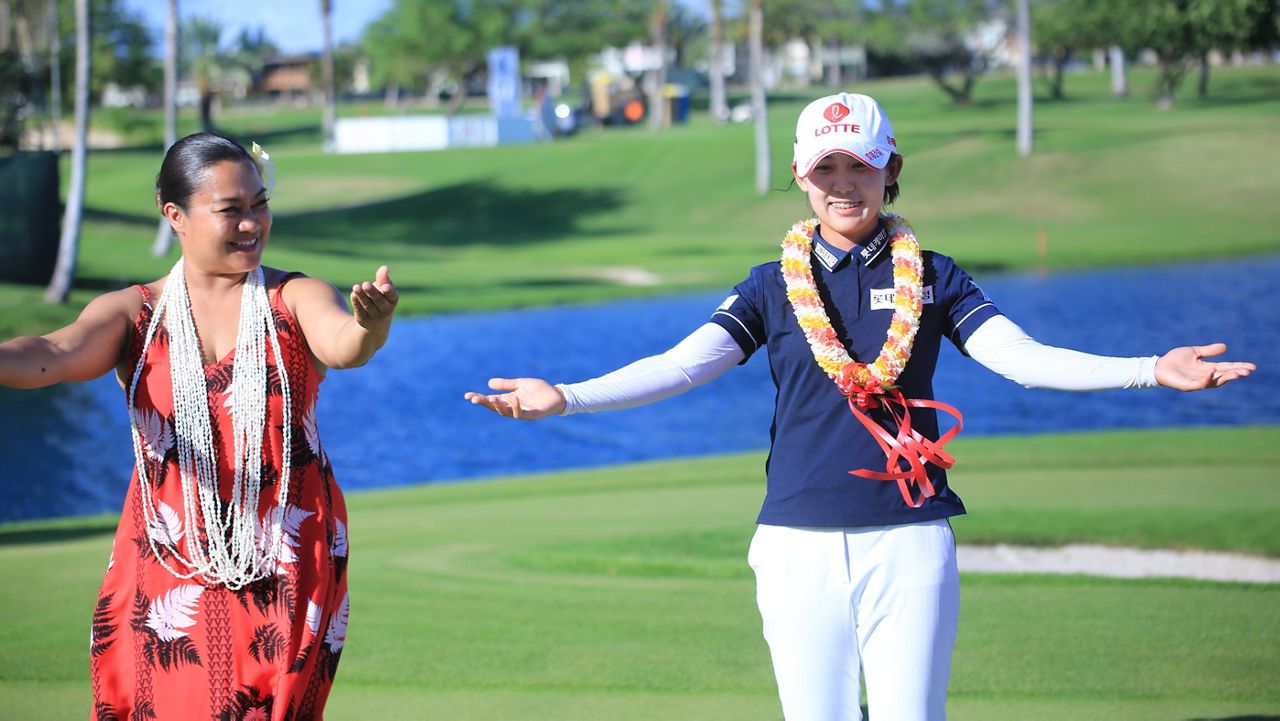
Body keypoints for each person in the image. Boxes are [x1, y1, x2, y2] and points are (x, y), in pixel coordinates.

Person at [464, 92, 1256, 721]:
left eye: (860, 166)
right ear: (803, 177)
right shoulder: (770, 285)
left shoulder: (937, 275)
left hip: (908, 539)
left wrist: (1151, 367)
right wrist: (565, 396)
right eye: (826, 167)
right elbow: (681, 366)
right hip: (796, 542)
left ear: (890, 170)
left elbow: (1022, 359)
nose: (843, 184)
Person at [0, 132, 398, 720]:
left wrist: (372, 325)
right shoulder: (134, 315)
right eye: (231, 209)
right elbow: (52, 353)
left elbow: (344, 345)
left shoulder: (296, 297)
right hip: (165, 561)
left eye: (259, 204)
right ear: (175, 215)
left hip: (281, 558)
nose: (252, 222)